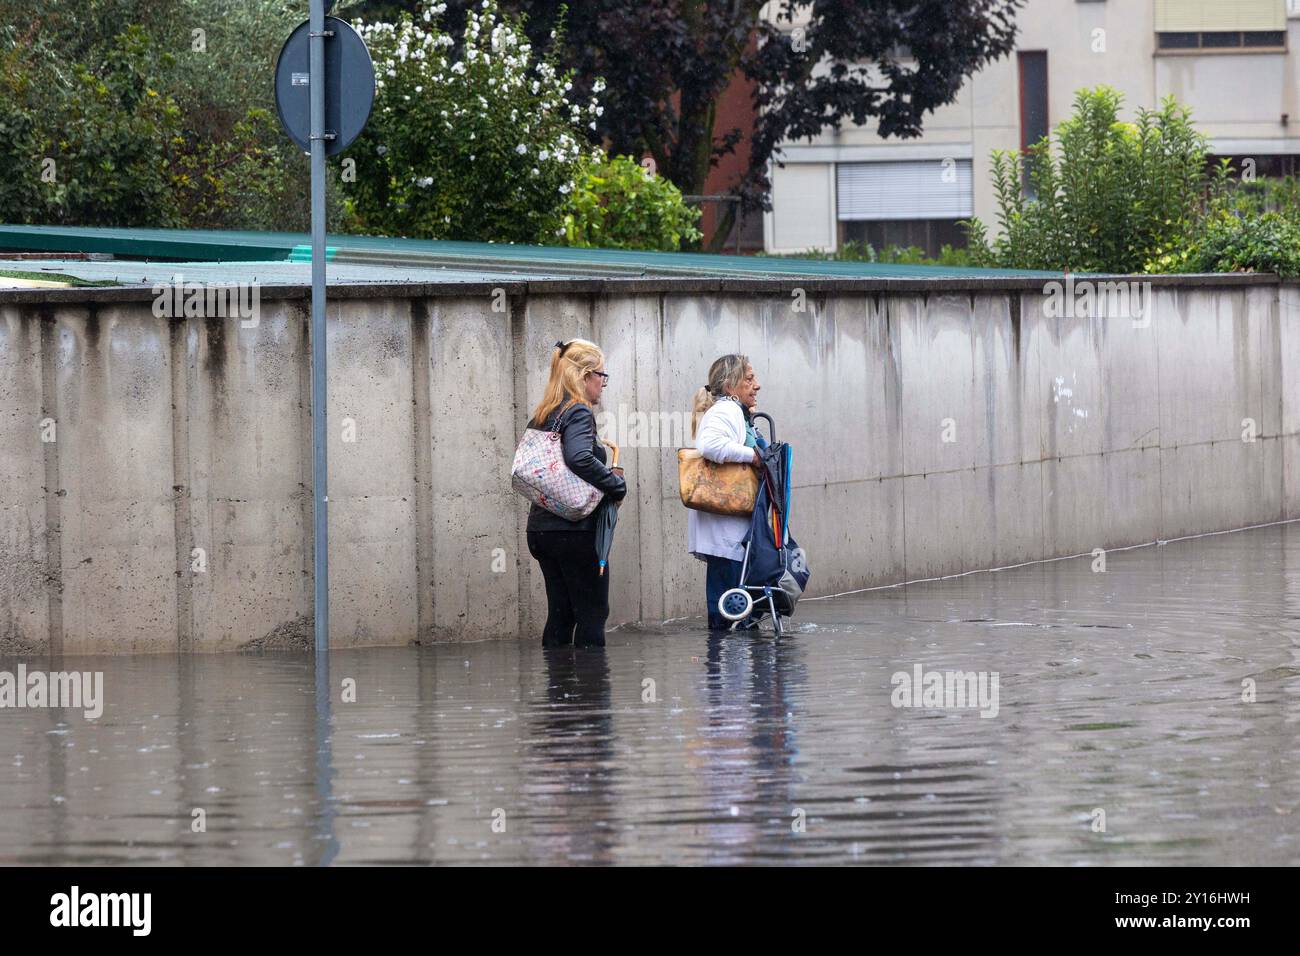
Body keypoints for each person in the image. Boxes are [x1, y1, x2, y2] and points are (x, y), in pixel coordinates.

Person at [525, 339, 627, 648]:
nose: (603, 383)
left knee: (561, 614)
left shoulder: (543, 413)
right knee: (593, 613)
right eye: (600, 375)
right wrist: (615, 484)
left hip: (543, 530)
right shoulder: (578, 412)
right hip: (575, 531)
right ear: (583, 376)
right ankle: (588, 693)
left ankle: (558, 692)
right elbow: (579, 457)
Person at [688, 354, 767, 632]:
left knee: (736, 610)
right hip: (726, 531)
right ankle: (723, 672)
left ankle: (729, 667)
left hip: (732, 530)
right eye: (749, 379)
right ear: (730, 385)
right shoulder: (727, 410)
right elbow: (709, 445)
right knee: (729, 615)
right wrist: (753, 456)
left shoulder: (735, 412)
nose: (756, 385)